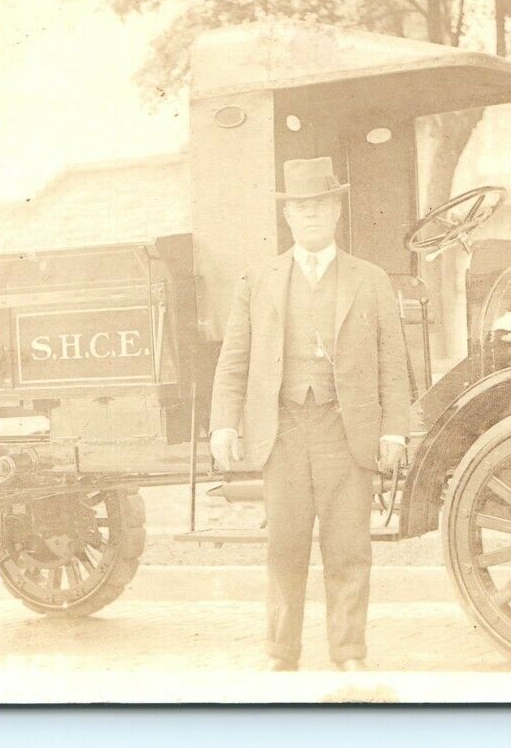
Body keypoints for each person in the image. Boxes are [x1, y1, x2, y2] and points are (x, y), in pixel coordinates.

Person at [208, 156, 412, 672]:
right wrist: (224, 423)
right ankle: (282, 652)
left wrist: (394, 432)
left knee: (348, 546)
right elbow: (234, 359)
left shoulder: (370, 280)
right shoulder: (257, 280)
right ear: (289, 217)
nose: (311, 215)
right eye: (300, 207)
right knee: (284, 545)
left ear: (336, 211)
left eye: (320, 205)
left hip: (347, 430)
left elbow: (394, 362)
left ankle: (349, 653)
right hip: (282, 430)